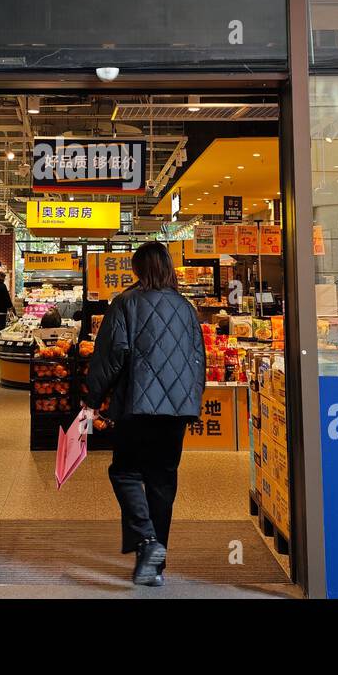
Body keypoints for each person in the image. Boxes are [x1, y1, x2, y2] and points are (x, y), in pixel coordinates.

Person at [83, 242, 206, 587]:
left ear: (138, 269)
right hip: (176, 413)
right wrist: (191, 401)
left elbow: (111, 355)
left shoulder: (126, 303)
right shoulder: (186, 308)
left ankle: (148, 543)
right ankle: (153, 566)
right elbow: (199, 360)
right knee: (162, 481)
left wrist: (92, 397)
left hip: (136, 407)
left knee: (124, 472)